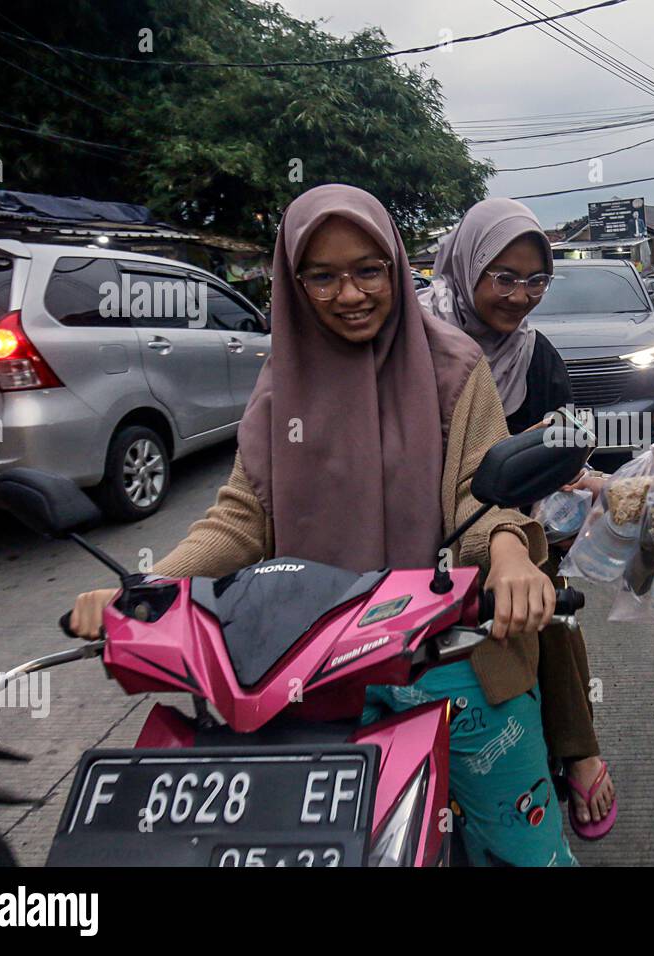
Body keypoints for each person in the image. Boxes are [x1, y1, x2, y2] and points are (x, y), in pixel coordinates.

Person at [70, 183, 576, 867]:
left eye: (369, 270)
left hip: (457, 657)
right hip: (311, 669)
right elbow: (244, 517)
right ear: (293, 280)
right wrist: (148, 588)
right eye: (323, 276)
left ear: (398, 267)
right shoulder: (281, 387)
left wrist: (510, 556)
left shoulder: (455, 367)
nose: (350, 295)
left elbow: (476, 492)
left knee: (528, 852)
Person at [420, 197, 617, 840]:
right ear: (466, 265)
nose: (520, 296)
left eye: (536, 280)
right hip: (412, 527)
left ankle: (577, 748)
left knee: (547, 608)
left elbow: (562, 448)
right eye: (503, 277)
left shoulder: (535, 357)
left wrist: (581, 486)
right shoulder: (412, 342)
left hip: (513, 524)